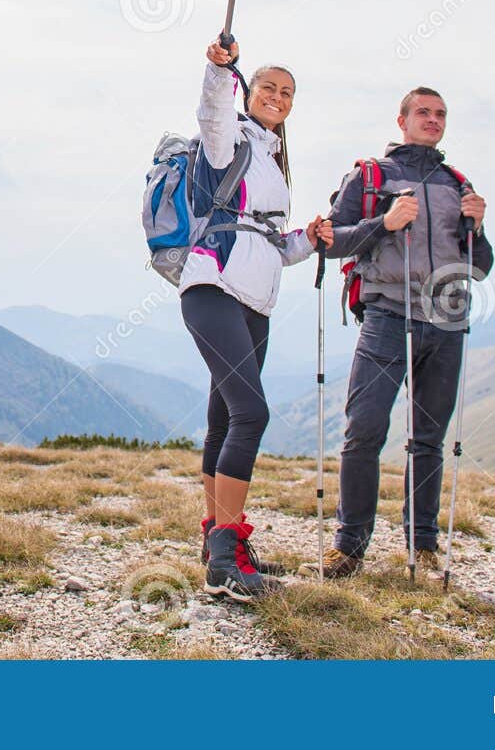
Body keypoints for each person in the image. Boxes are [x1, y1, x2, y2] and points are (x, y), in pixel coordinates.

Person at [316, 87, 492, 579]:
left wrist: (476, 225)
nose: (433, 120)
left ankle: (424, 544)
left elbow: (482, 264)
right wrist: (385, 222)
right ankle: (349, 545)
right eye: (423, 113)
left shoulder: (458, 183)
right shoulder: (372, 176)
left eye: (440, 114)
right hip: (388, 316)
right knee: (365, 429)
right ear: (402, 120)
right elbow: (331, 242)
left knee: (429, 438)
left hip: (446, 320)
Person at [182, 36, 330, 602]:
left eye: (287, 92)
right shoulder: (230, 138)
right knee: (252, 412)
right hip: (213, 287)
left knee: (224, 421)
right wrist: (220, 71)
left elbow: (268, 245)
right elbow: (212, 111)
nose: (278, 96)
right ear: (250, 92)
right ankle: (227, 552)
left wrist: (308, 241)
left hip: (254, 300)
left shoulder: (269, 156)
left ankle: (216, 543)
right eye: (268, 86)